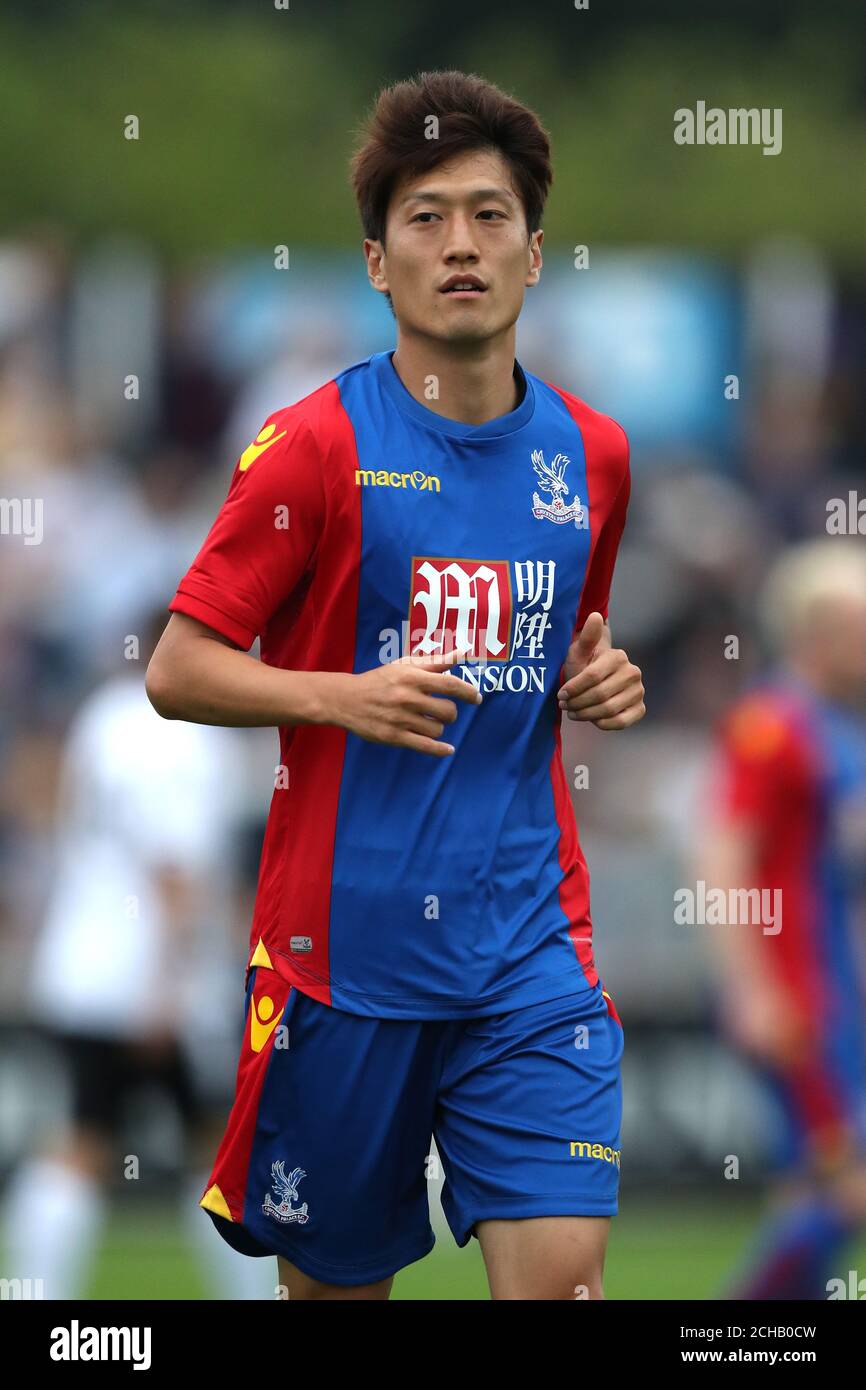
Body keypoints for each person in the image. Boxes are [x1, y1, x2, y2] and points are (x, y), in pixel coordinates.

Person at [146, 70, 645, 1301]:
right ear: (377, 262)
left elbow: (568, 645)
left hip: (530, 946)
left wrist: (602, 679)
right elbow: (176, 667)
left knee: (566, 1285)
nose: (460, 244)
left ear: (536, 252)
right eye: (425, 218)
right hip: (339, 956)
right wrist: (338, 695)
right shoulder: (313, 445)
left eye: (488, 215)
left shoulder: (593, 455)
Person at [2, 609, 270, 1300]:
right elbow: (173, 870)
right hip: (146, 981)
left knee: (83, 1139)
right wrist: (168, 986)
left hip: (83, 967)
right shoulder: (181, 734)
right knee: (213, 1150)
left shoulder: (101, 717)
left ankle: (37, 1292)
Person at [701, 540, 866, 1300]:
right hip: (797, 996)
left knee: (822, 1187)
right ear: (819, 631)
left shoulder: (836, 727)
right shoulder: (772, 725)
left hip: (834, 991)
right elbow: (722, 858)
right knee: (846, 1187)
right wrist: (751, 987)